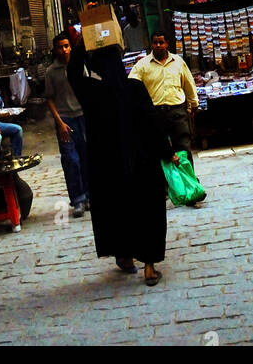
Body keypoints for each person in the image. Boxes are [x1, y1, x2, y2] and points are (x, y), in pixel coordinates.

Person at [67, 36, 175, 286]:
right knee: (147, 210)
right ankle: (149, 266)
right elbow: (152, 122)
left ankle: (125, 256)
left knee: (116, 210)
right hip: (141, 163)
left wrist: (85, 40)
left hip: (109, 166)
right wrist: (167, 150)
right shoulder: (135, 88)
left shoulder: (92, 93)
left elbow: (73, 71)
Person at [128, 30, 198, 169]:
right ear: (151, 44)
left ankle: (190, 182)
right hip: (155, 115)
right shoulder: (142, 65)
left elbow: (188, 83)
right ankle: (167, 186)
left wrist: (193, 103)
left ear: (167, 44)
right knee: (160, 152)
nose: (158, 45)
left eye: (161, 42)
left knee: (184, 149)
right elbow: (131, 85)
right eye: (155, 42)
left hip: (177, 111)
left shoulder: (178, 62)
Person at [44, 33, 89, 218]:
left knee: (87, 158)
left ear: (70, 47)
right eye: (60, 47)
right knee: (71, 160)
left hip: (82, 116)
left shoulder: (79, 66)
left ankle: (89, 196)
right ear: (55, 50)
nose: (63, 50)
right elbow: (50, 99)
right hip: (65, 120)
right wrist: (59, 122)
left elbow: (87, 88)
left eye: (66, 46)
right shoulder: (51, 72)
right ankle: (77, 199)